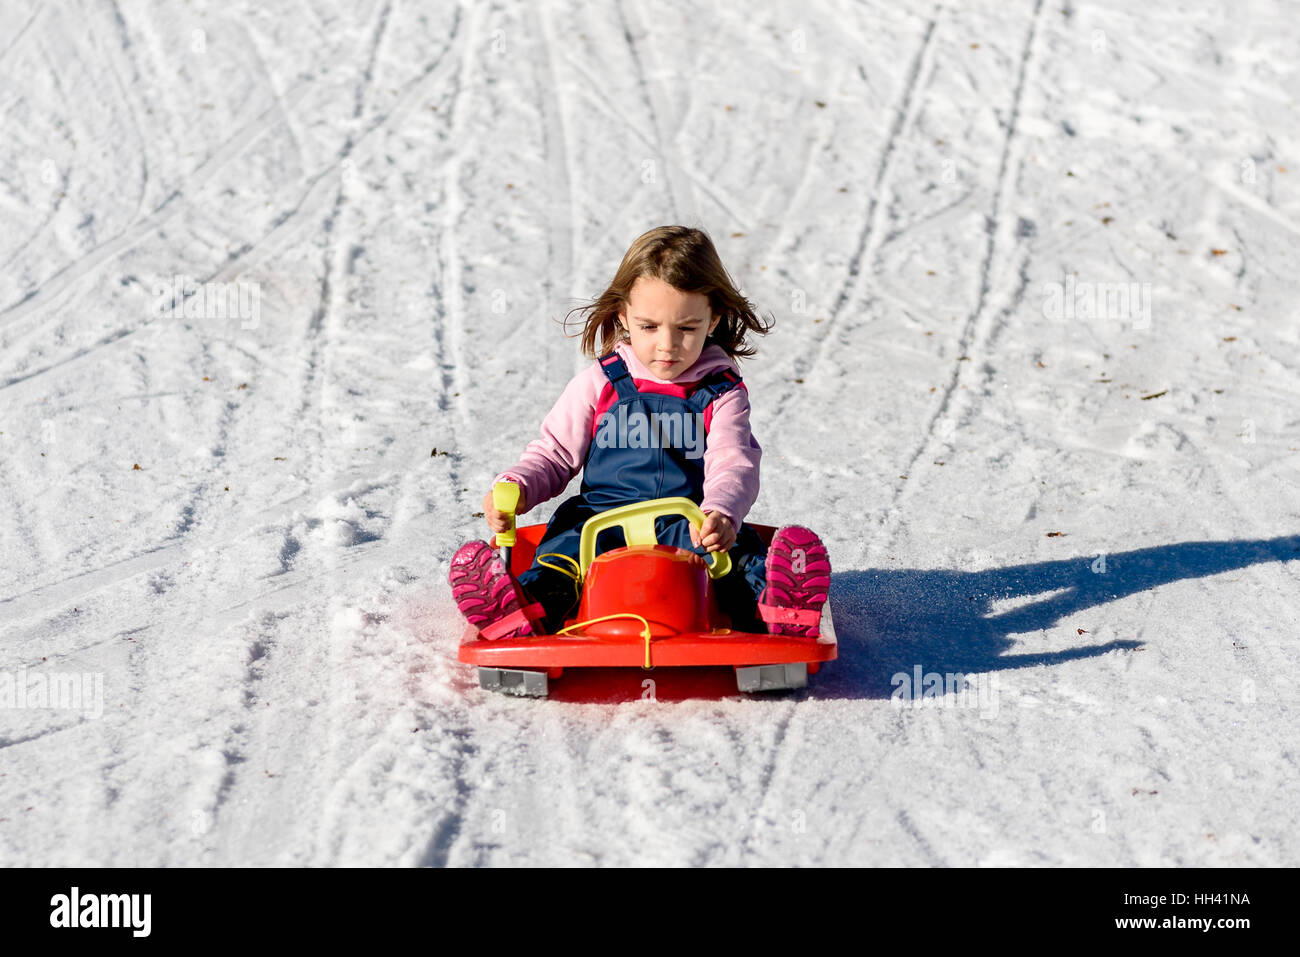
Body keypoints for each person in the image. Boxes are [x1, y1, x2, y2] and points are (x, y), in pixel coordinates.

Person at [449, 225, 830, 640]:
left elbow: (732, 461)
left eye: (686, 328)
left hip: (689, 519)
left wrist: (721, 511)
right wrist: (517, 487)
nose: (667, 346)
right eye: (649, 327)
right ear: (623, 316)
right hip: (599, 520)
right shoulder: (601, 382)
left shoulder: (720, 392)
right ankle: (522, 611)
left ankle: (778, 606)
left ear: (713, 319)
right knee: (561, 559)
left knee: (734, 557)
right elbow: (554, 452)